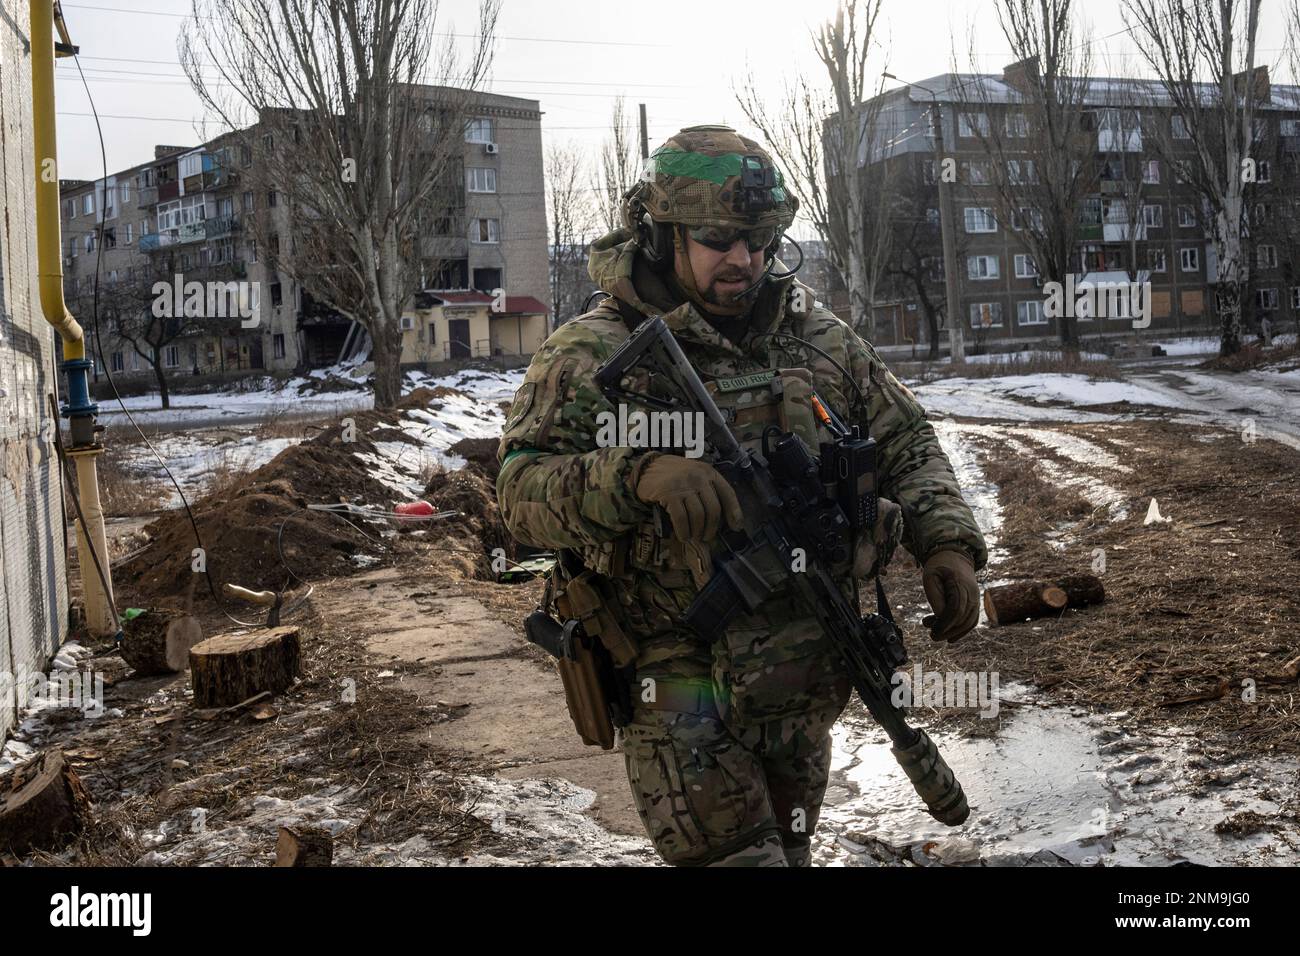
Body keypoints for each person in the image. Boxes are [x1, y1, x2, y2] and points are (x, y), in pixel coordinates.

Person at [496, 125, 987, 866]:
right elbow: (520, 491)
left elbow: (907, 444)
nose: (745, 260)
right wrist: (635, 476)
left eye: (759, 240)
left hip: (803, 684)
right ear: (663, 233)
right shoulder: (590, 352)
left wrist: (946, 542)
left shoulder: (815, 339)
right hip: (680, 692)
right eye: (720, 238)